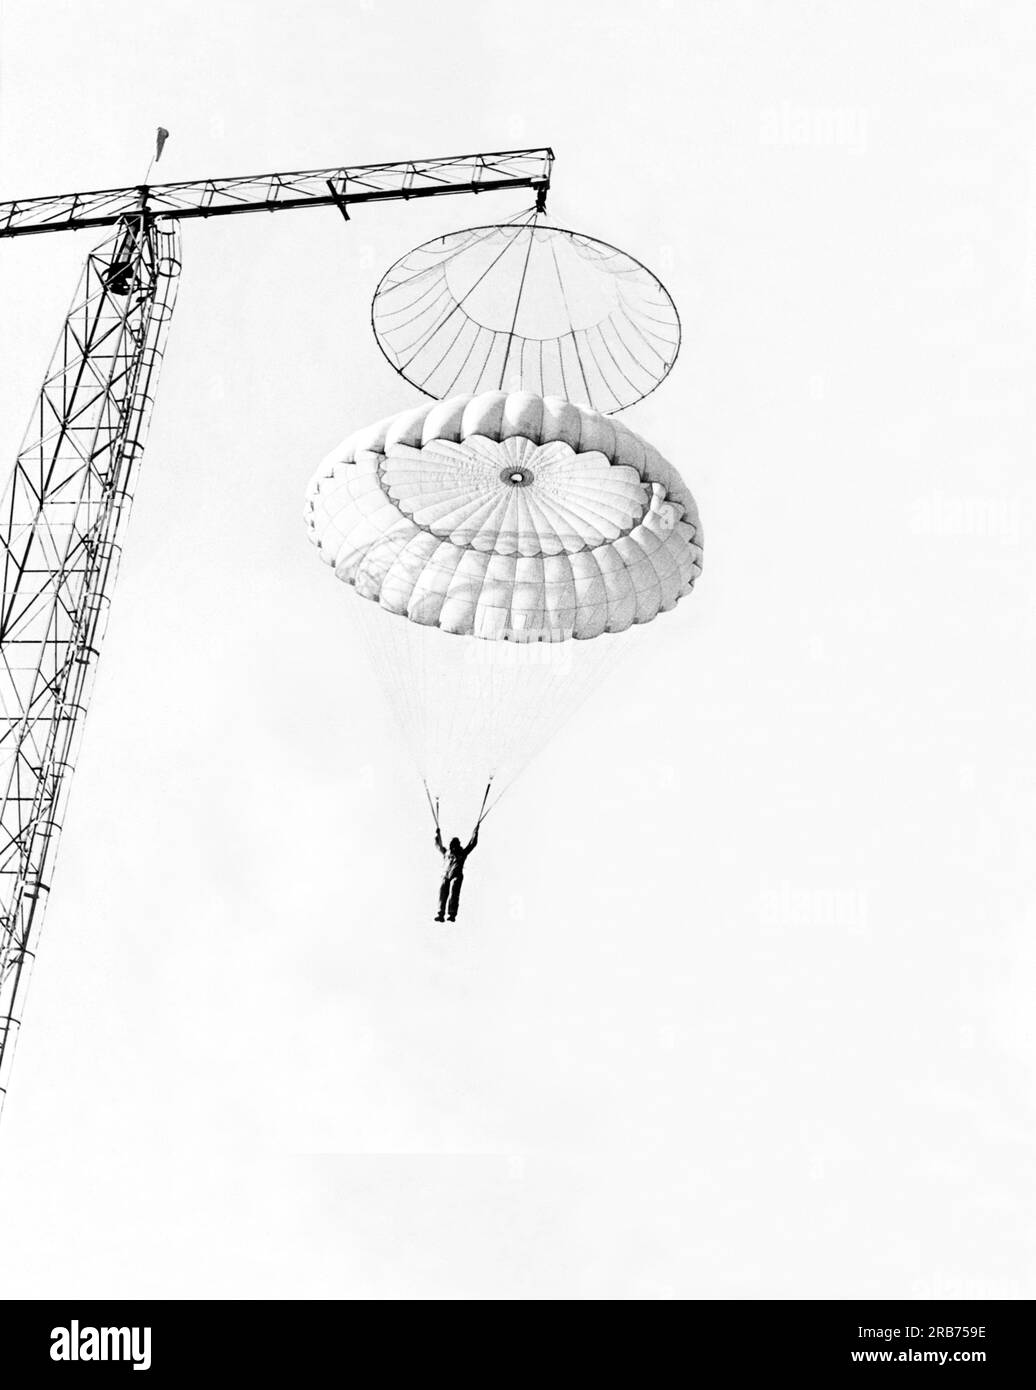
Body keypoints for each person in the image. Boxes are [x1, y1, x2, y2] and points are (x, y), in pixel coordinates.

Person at [434, 824, 479, 921]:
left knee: (454, 891)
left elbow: (472, 843)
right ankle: (441, 913)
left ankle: (452, 913)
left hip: (456, 875)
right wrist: (438, 834)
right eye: (452, 844)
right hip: (446, 875)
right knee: (442, 892)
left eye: (455, 844)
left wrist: (475, 832)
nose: (453, 847)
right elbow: (438, 845)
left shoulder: (462, 853)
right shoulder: (447, 853)